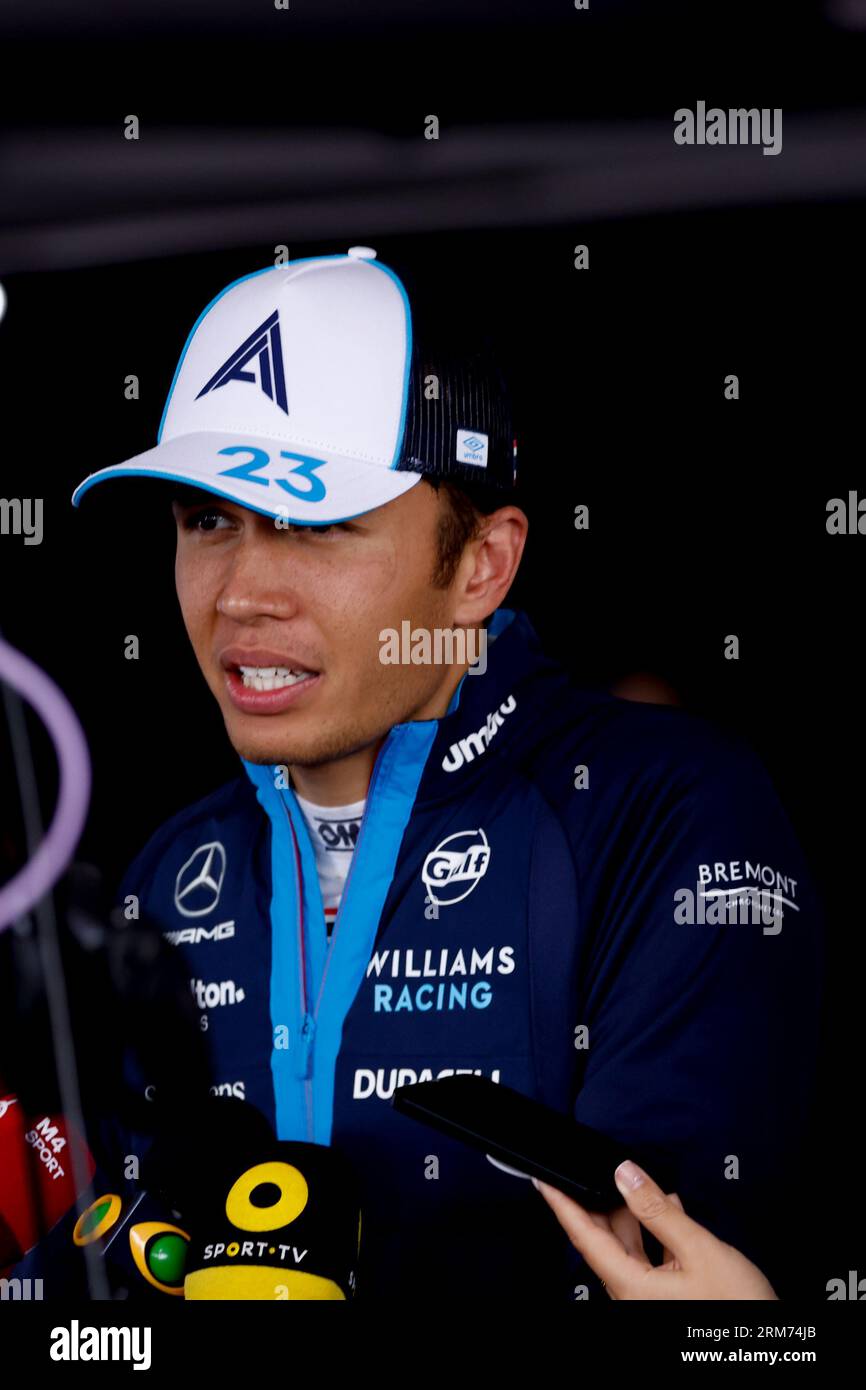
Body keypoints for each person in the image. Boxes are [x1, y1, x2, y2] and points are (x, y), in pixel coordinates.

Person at [69, 247, 823, 1301]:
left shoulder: (666, 812)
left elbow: (707, 1298)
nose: (240, 592)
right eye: (206, 521)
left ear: (480, 565)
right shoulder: (165, 869)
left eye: (314, 523)